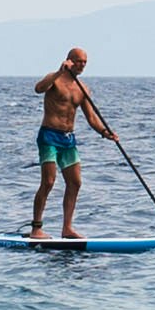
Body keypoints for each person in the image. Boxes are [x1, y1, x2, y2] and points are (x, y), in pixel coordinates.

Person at [27, 48, 115, 241]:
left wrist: (105, 133)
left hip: (68, 139)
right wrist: (59, 71)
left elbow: (91, 117)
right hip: (49, 136)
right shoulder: (54, 79)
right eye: (78, 61)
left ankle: (67, 228)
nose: (82, 65)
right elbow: (38, 88)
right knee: (48, 182)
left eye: (84, 62)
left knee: (75, 183)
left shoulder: (82, 88)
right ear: (69, 61)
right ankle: (36, 229)